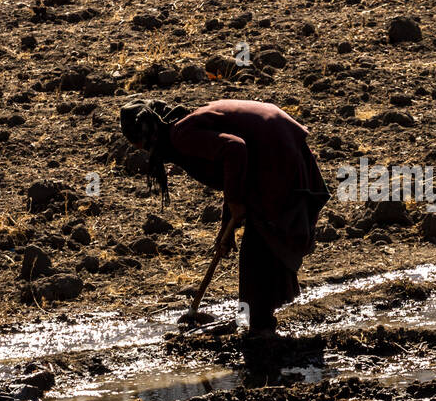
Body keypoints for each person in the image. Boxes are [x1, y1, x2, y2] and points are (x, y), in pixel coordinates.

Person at [120, 98, 330, 334]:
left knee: (259, 245)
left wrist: (235, 204)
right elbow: (234, 173)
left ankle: (261, 328)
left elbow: (235, 149)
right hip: (279, 147)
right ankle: (261, 321)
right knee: (261, 241)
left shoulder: (182, 135)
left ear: (142, 141)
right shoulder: (188, 125)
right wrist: (225, 227)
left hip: (278, 153)